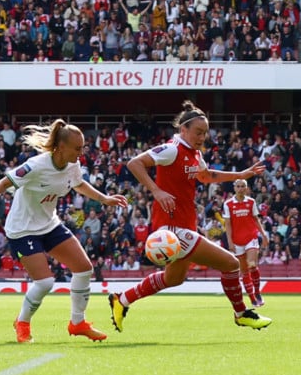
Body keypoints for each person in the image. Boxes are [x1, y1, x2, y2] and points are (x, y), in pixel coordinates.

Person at [108, 101, 272, 332]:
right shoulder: (171, 149)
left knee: (174, 279)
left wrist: (241, 174)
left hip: (185, 225)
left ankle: (122, 299)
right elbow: (135, 163)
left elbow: (206, 176)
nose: (202, 136)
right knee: (231, 263)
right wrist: (156, 190)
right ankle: (241, 313)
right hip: (173, 228)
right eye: (198, 132)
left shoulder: (195, 154)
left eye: (205, 132)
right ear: (183, 130)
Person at [0, 119, 127, 343]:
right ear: (61, 147)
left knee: (83, 269)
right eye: (77, 148)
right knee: (44, 283)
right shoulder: (36, 165)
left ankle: (77, 323)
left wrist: (104, 198)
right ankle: (22, 322)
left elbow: (78, 183)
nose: (81, 152)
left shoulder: (73, 165)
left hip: (49, 224)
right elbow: (4, 183)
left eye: (82, 147)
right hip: (23, 230)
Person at [223, 178, 269, 307]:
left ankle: (258, 292)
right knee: (244, 271)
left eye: (243, 186)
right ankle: (252, 298)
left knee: (252, 265)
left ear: (246, 188)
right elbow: (228, 224)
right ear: (234, 188)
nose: (240, 188)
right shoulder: (228, 204)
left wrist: (263, 234)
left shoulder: (251, 202)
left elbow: (255, 219)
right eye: (238, 186)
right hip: (237, 241)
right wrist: (230, 243)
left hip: (251, 237)